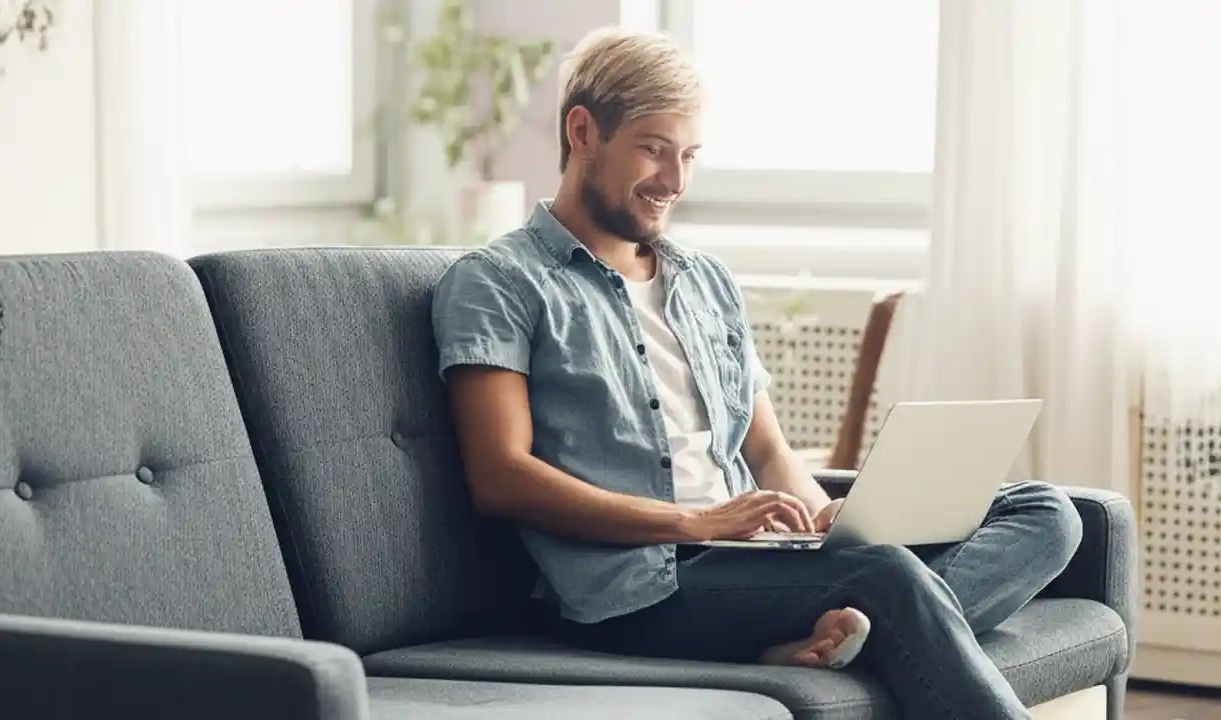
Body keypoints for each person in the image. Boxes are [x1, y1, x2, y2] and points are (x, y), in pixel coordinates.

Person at [431, 26, 1083, 719]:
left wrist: (829, 522)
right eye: (653, 150)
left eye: (689, 156)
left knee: (1047, 512)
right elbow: (499, 477)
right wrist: (696, 520)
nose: (675, 182)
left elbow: (767, 450)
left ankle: (844, 625)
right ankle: (876, 616)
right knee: (886, 577)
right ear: (583, 131)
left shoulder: (704, 280)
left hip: (753, 558)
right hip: (639, 587)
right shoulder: (499, 282)